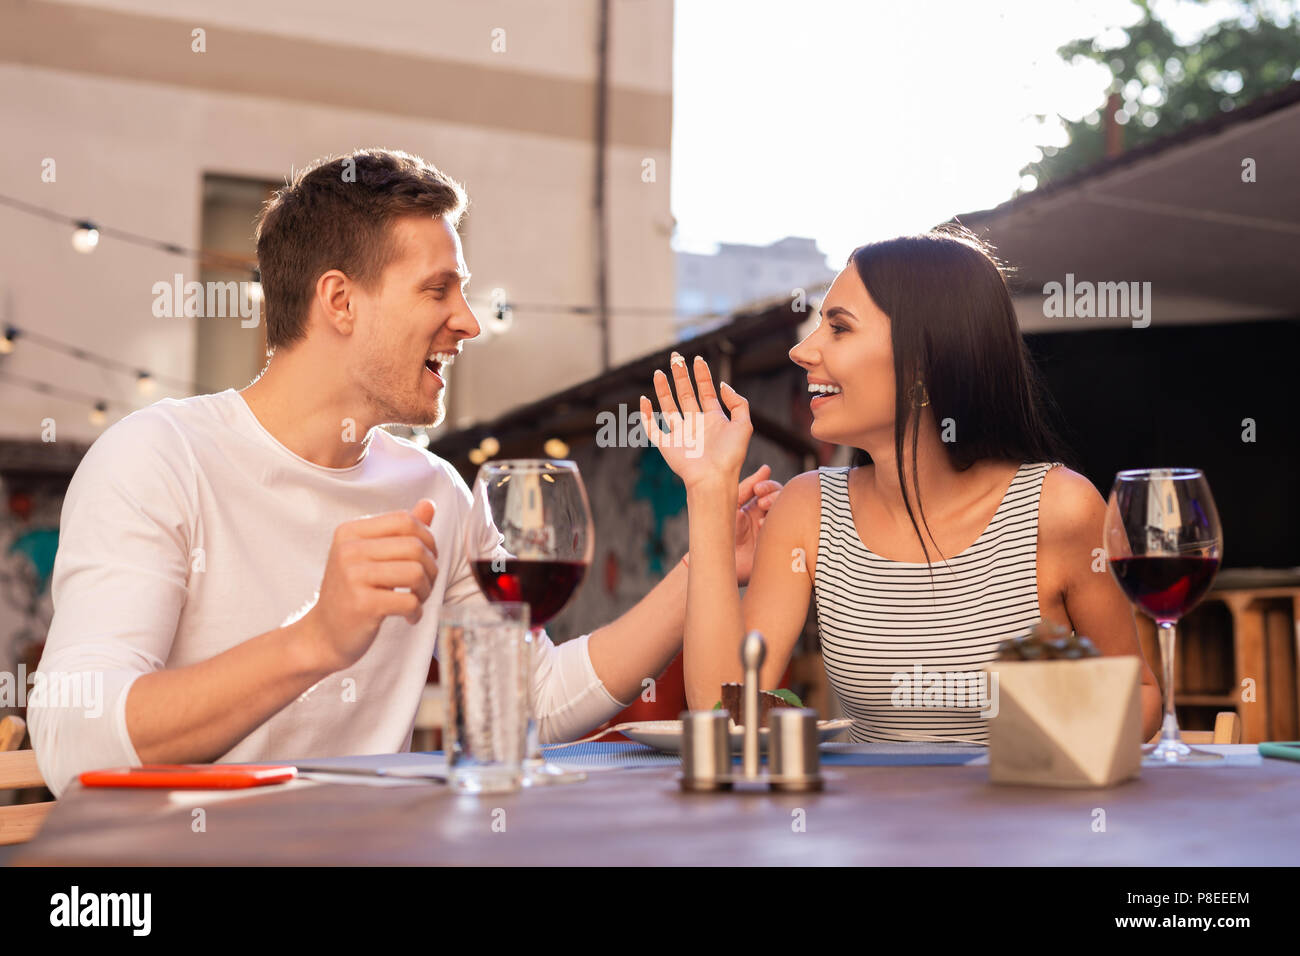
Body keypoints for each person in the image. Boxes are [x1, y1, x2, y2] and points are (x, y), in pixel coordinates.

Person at [28, 148, 781, 796]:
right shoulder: (158, 457)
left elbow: (530, 701)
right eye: (437, 289)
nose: (470, 320)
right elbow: (74, 741)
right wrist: (314, 640)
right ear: (339, 301)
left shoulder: (434, 491)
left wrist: (703, 566)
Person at [640, 225, 1162, 744]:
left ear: (921, 361)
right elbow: (728, 710)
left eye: (839, 328)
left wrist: (1047, 731)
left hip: (1016, 816)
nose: (803, 352)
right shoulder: (809, 508)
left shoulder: (1059, 508)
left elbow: (1140, 696)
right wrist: (709, 490)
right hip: (863, 822)